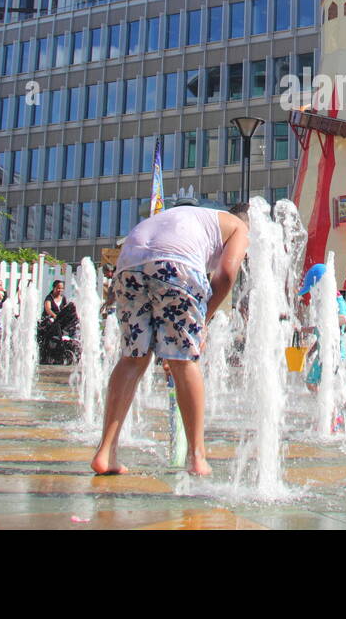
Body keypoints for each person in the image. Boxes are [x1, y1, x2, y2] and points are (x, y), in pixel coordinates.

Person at [91, 202, 249, 477]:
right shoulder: (240, 227)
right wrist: (202, 323)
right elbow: (225, 277)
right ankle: (197, 457)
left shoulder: (192, 218)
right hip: (175, 264)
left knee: (133, 358)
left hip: (128, 263)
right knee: (184, 360)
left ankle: (106, 452)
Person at [298, 263, 346, 394]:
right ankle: (327, 408)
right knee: (320, 384)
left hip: (334, 352)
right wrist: (309, 350)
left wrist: (326, 322)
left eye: (314, 290)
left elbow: (344, 319)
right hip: (325, 352)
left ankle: (328, 408)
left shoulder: (338, 302)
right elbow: (321, 331)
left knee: (312, 383)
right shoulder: (326, 305)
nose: (313, 295)